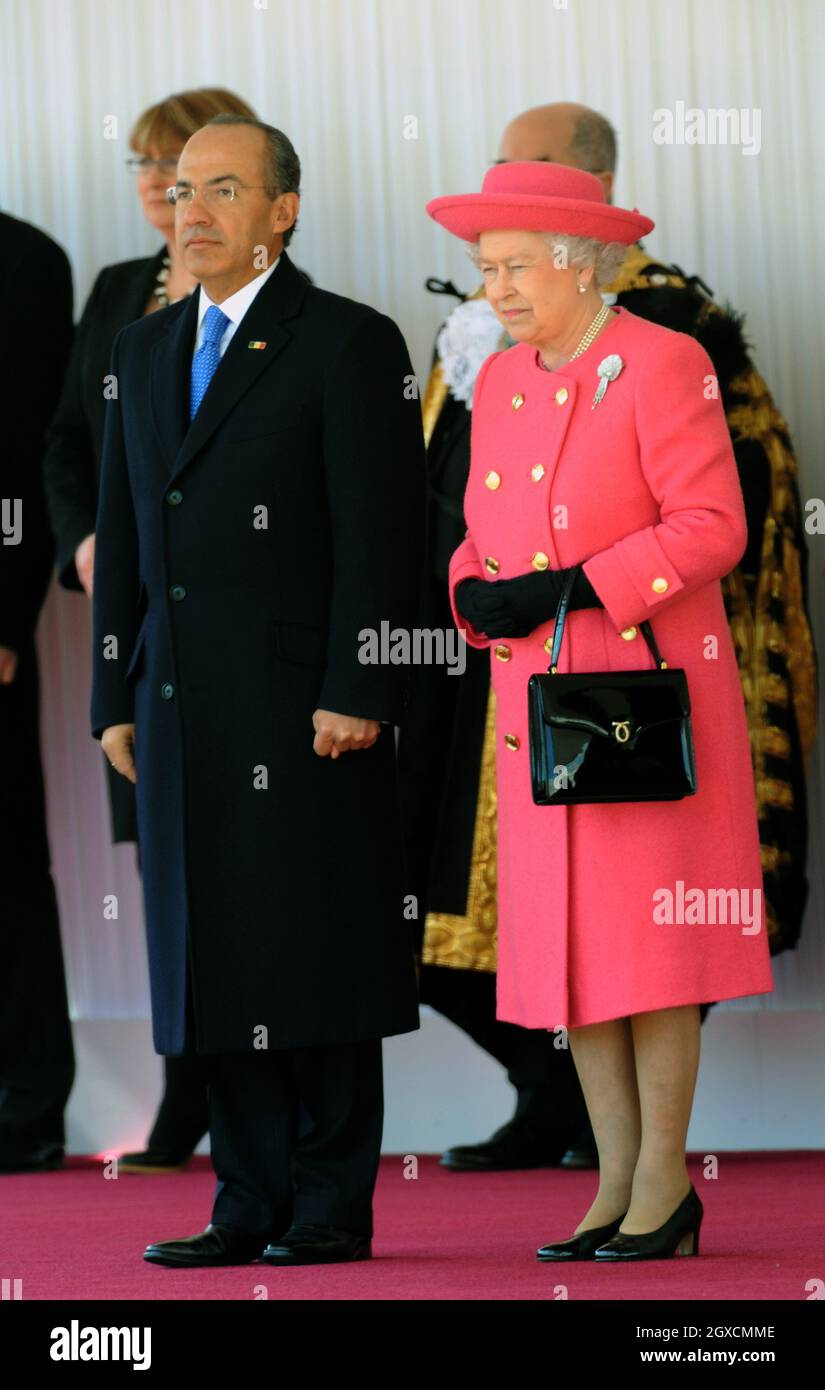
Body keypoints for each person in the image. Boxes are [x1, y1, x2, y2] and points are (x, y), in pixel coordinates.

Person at [400, 101, 815, 1175]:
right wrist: (472, 594)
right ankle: (607, 1187)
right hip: (527, 703)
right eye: (485, 267)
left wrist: (579, 586)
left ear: (581, 260)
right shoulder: (496, 374)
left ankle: (660, 1186)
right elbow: (472, 533)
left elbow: (719, 525)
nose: (492, 289)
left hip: (636, 697)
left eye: (511, 266)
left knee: (649, 958)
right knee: (566, 962)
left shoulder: (667, 357)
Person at [91, 114, 425, 1266]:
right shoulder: (139, 352)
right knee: (211, 951)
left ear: (282, 209)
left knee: (315, 945)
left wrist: (362, 683)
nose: (192, 210)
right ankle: (246, 1202)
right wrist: (110, 697)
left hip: (307, 710)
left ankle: (328, 1205)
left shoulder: (347, 341)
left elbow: (383, 540)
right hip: (179, 708)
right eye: (182, 188)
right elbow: (129, 536)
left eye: (223, 189)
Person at [43, 88, 259, 1175]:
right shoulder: (121, 294)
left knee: (240, 865)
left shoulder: (288, 312)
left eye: (179, 166)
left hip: (241, 634)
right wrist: (86, 543)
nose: (157, 186)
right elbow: (67, 441)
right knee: (161, 863)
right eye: (145, 164)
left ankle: (257, 1100)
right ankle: (187, 1091)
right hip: (133, 626)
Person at [0, 210, 74, 1171]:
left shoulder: (20, 260)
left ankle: (25, 1099)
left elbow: (26, 455)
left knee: (4, 859)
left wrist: (4, 613)